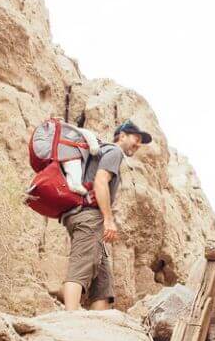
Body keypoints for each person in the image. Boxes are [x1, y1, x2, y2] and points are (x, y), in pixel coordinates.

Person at [61, 119, 152, 311]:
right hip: (88, 216)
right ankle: (69, 319)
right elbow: (101, 182)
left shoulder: (101, 152)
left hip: (84, 216)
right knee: (82, 264)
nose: (138, 144)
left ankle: (98, 325)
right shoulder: (114, 151)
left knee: (103, 281)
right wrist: (109, 220)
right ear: (122, 136)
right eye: (136, 138)